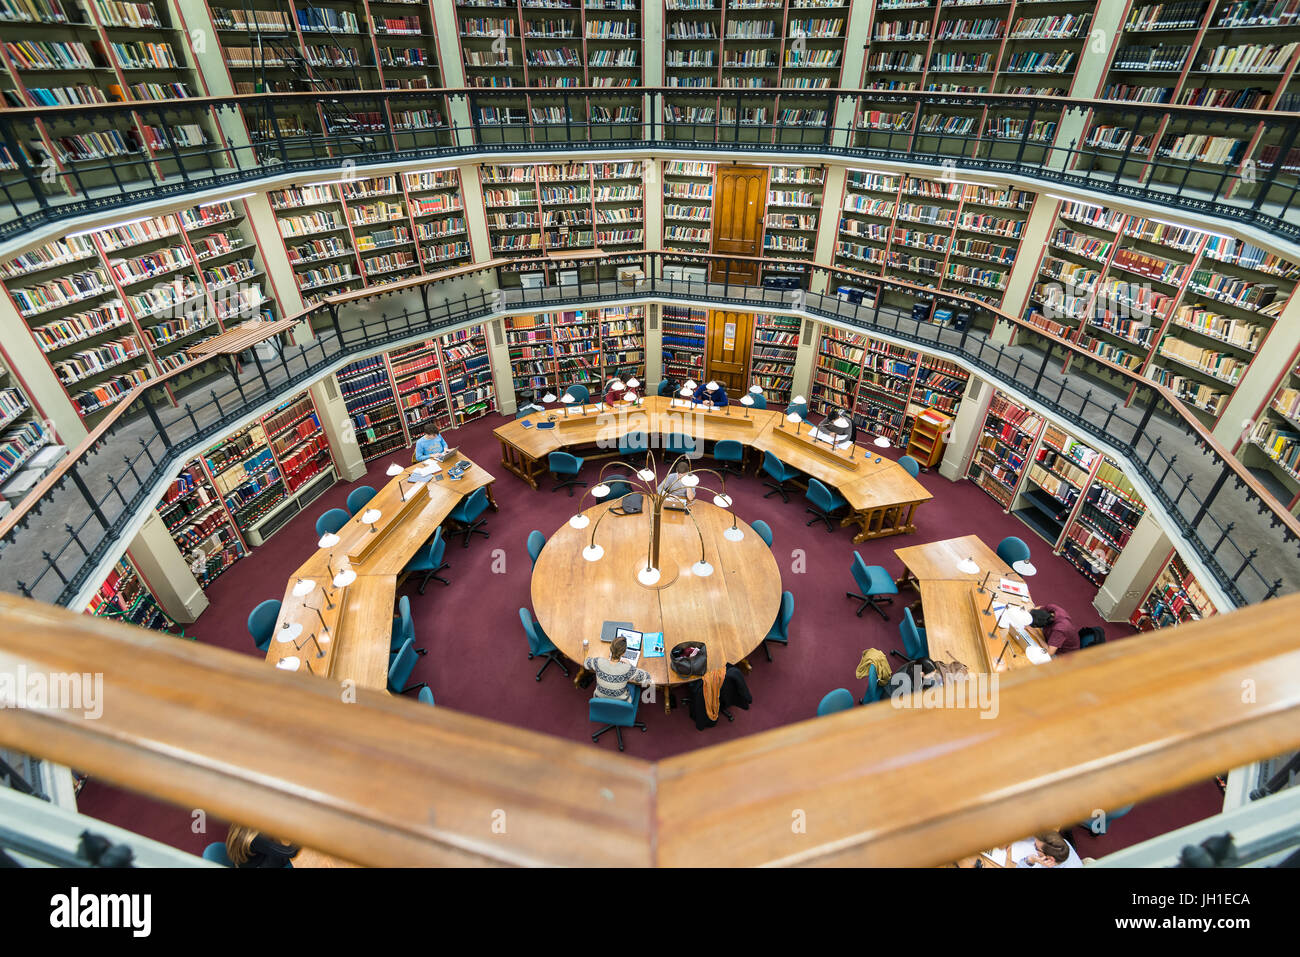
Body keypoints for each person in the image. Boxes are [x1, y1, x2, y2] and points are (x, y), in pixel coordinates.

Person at [585, 635, 653, 703]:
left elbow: (586, 663)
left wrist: (603, 662)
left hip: (599, 699)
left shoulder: (598, 662)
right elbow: (647, 677)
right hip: (622, 702)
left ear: (610, 648)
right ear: (623, 653)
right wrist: (630, 666)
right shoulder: (628, 669)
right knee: (633, 684)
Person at [225, 825, 300, 868]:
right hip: (260, 865)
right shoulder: (255, 838)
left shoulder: (241, 821)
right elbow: (290, 852)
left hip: (247, 861)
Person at [1009, 830, 1082, 868]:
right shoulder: (1063, 844)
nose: (1033, 846)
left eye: (1036, 847)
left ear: (1051, 859)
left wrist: (1031, 859)